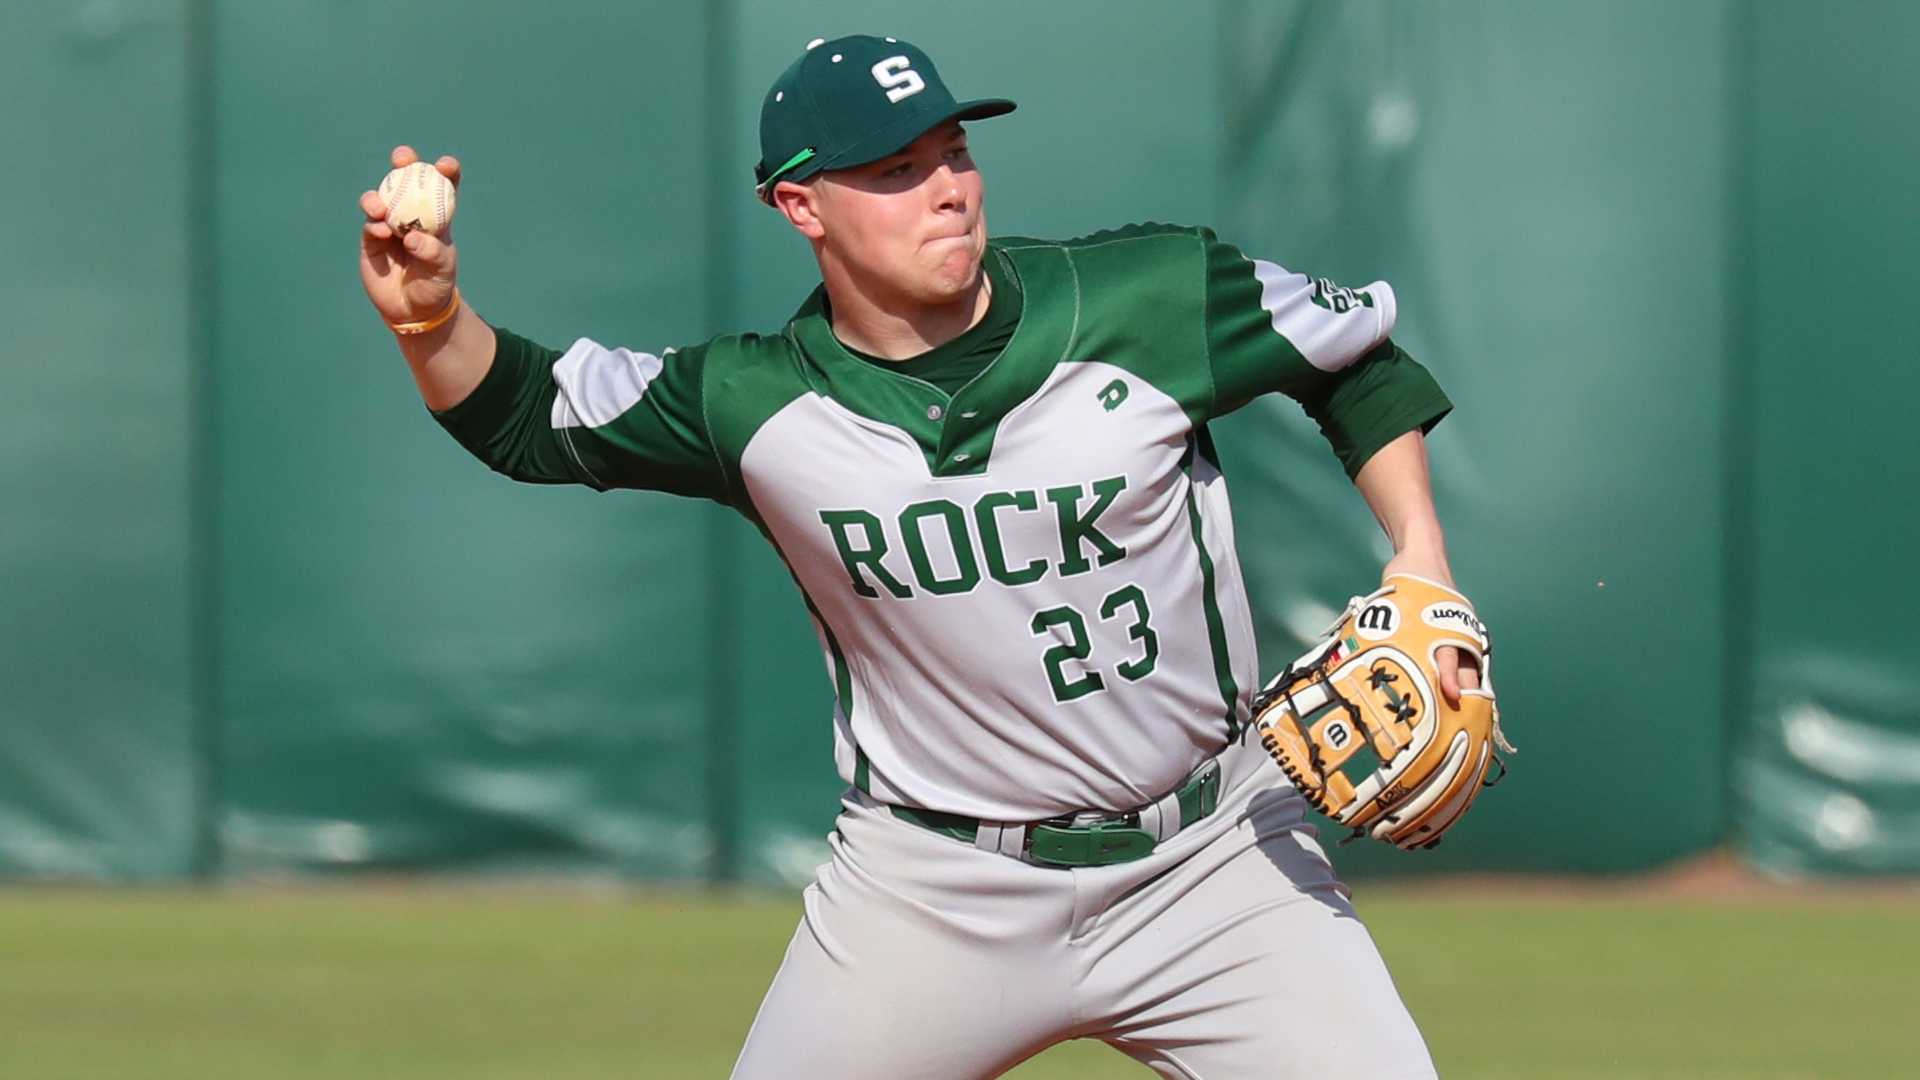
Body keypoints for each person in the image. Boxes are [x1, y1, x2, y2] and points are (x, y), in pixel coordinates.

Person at [359, 33, 1476, 1080]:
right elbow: (525, 416)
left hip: (1217, 861)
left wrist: (1421, 558)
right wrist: (430, 318)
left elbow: (1354, 363)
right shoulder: (755, 403)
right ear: (800, 204)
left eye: (953, 151)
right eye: (893, 170)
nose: (947, 186)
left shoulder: (1150, 298)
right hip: (935, 892)